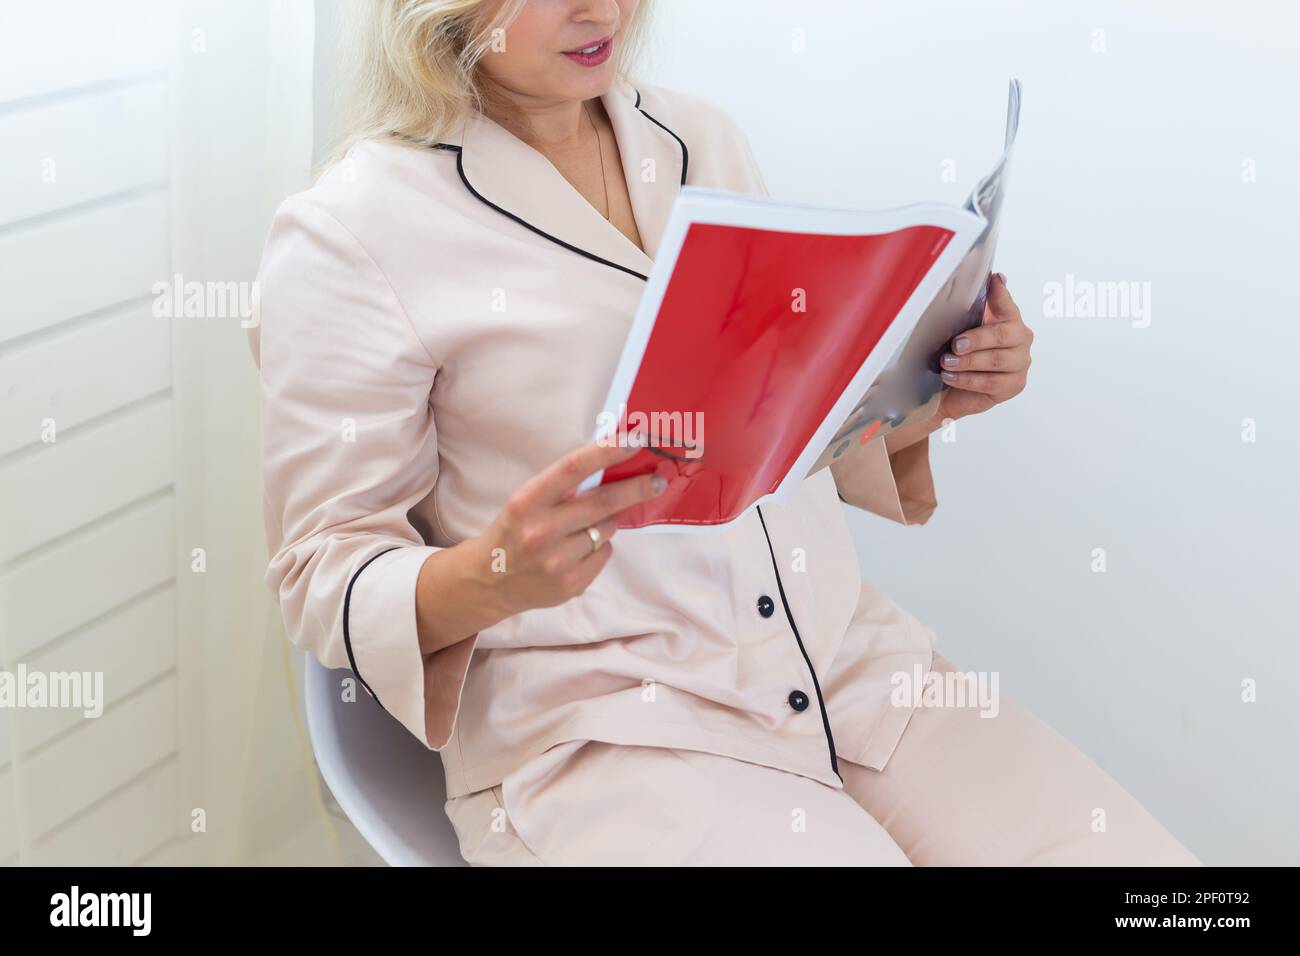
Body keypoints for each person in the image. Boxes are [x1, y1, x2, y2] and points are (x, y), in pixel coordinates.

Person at [249, 0, 1198, 866]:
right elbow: (321, 568)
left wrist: (928, 394)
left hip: (847, 666)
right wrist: (494, 571)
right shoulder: (353, 231)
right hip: (611, 733)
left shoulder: (698, 139)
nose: (604, 10)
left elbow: (775, 418)